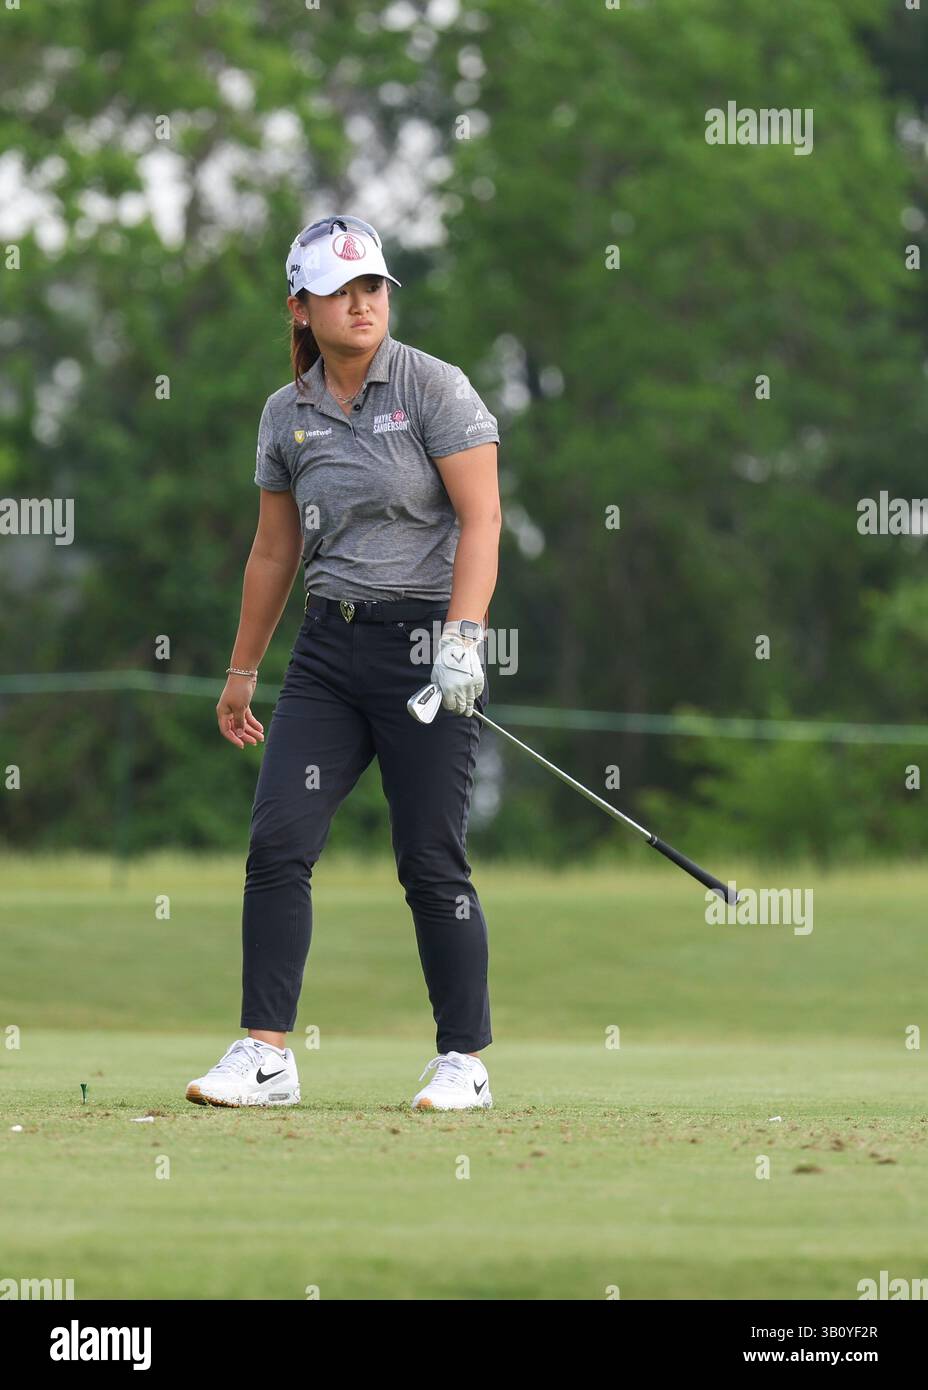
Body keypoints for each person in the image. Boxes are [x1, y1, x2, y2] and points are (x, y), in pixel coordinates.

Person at [185, 215, 502, 1112]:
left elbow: (482, 519)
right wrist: (243, 671)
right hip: (329, 648)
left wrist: (464, 638)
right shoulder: (286, 416)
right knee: (279, 840)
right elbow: (274, 552)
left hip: (425, 648)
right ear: (301, 308)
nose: (363, 305)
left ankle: (462, 1061)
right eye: (341, 292)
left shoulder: (435, 387)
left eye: (374, 289)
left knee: (430, 860)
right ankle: (267, 1055)